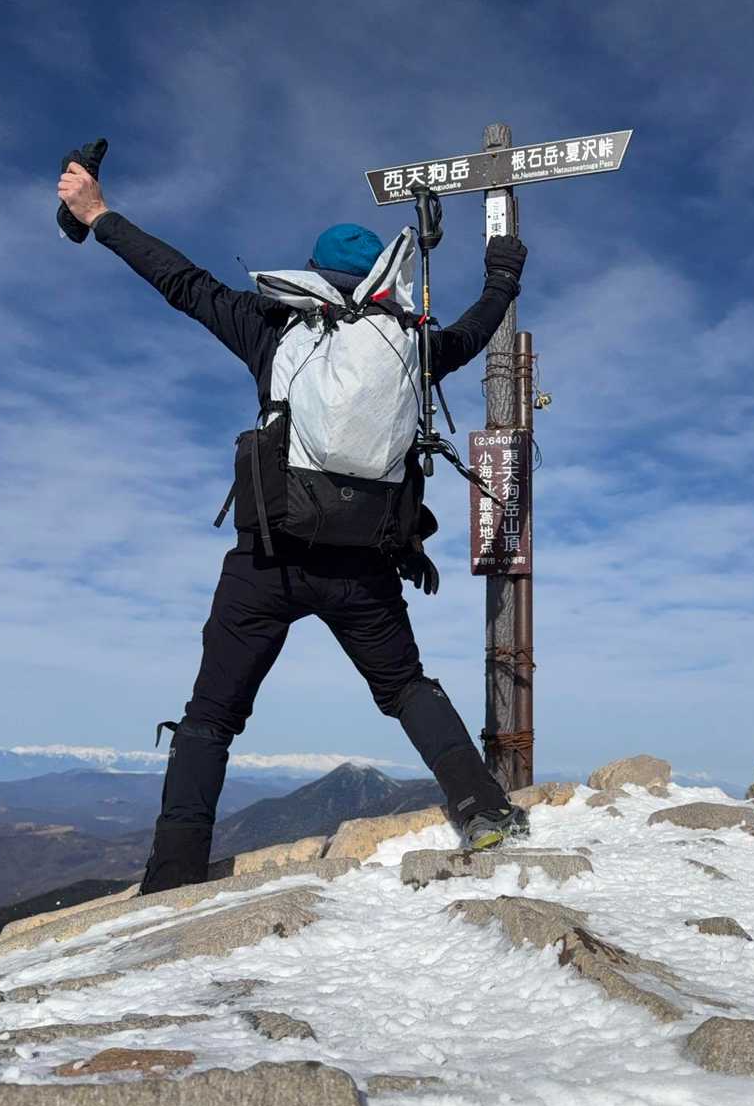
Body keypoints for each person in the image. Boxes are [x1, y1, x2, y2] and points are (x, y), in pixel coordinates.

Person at [57, 155, 529, 893]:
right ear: (379, 281)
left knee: (212, 716)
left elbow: (180, 280)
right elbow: (474, 329)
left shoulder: (269, 330)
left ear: (312, 278)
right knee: (405, 685)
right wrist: (503, 272)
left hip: (267, 559)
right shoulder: (410, 350)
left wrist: (96, 214)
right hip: (365, 564)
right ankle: (481, 809)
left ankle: (173, 875)